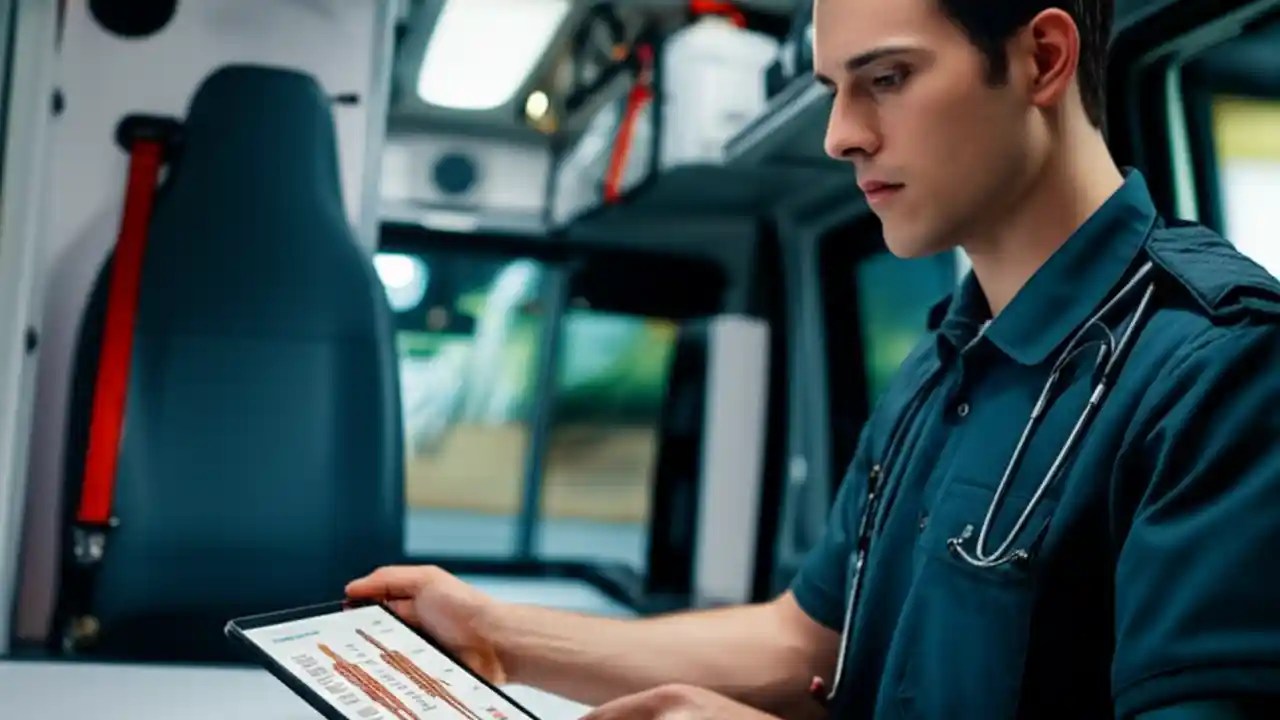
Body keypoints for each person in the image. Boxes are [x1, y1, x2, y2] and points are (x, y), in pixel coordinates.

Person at [348, 0, 1280, 717]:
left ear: (1041, 59)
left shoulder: (1219, 371)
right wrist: (491, 634)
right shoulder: (944, 365)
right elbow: (808, 640)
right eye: (836, 86)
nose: (841, 134)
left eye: (886, 78)